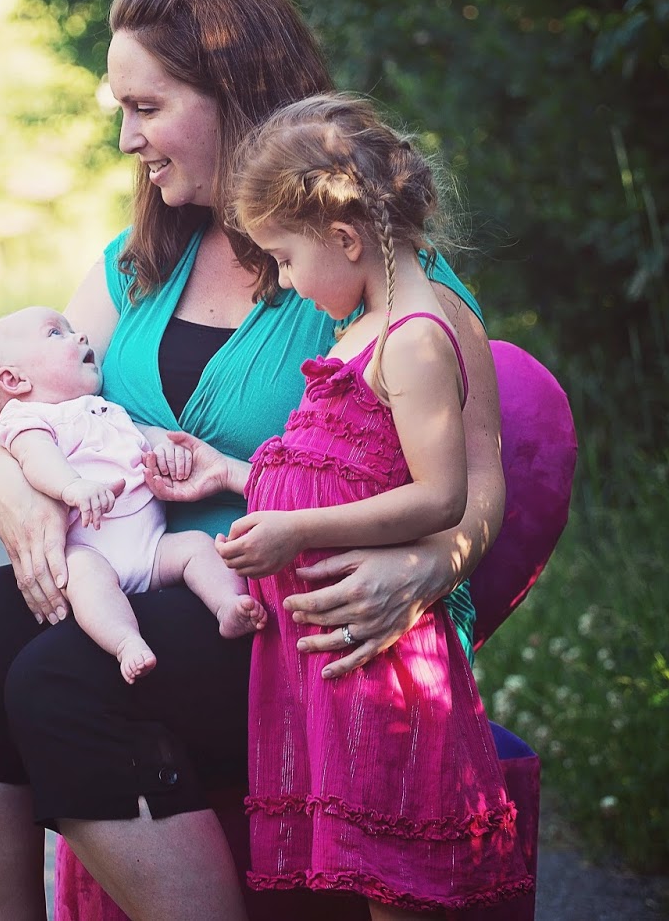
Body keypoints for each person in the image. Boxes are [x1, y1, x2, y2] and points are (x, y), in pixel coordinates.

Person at [0, 0, 505, 921]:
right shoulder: (140, 261)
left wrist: (427, 563)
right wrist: (9, 491)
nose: (126, 137)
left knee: (67, 682)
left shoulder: (368, 281)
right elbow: (3, 400)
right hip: (144, 569)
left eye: (146, 105)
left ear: (233, 95)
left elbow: (478, 491)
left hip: (288, 608)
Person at [151, 92, 531, 914]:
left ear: (347, 238)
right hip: (321, 663)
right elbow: (345, 468)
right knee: (355, 877)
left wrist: (296, 532)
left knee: (398, 877)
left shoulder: (415, 338)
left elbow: (439, 495)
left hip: (378, 661)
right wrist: (230, 473)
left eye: (285, 259)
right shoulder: (356, 328)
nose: (282, 280)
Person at [0, 305, 265, 684]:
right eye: (56, 333)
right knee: (87, 582)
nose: (81, 336)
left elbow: (142, 438)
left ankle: (228, 607)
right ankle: (126, 642)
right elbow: (37, 459)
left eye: (72, 329)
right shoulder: (28, 420)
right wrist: (72, 487)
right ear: (14, 379)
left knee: (197, 547)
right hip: (91, 549)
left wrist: (167, 451)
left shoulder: (104, 408)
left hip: (152, 548)